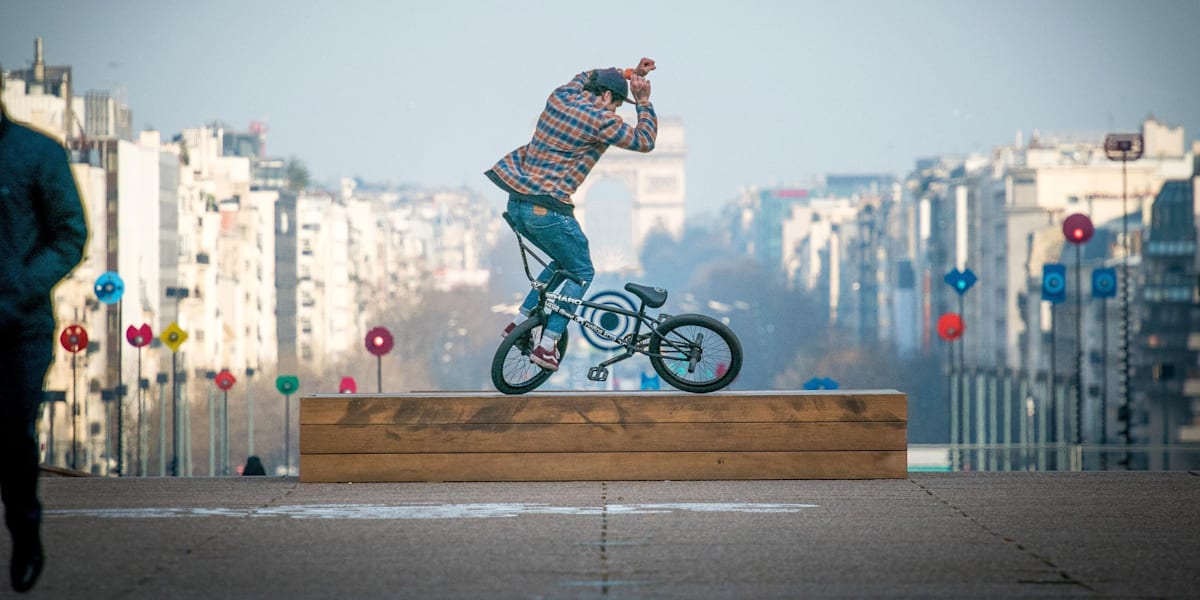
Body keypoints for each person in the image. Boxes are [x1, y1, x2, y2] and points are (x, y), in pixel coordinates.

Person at [485, 58, 658, 370]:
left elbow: (586, 74)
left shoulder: (561, 96)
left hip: (518, 204)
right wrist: (643, 102)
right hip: (549, 209)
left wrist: (628, 73)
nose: (616, 112)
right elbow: (645, 141)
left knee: (563, 262)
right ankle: (548, 343)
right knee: (582, 272)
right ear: (606, 97)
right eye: (617, 104)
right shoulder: (601, 121)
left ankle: (519, 321)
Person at [0, 89, 89, 593]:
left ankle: (24, 528)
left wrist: (22, 287)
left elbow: (69, 235)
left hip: (20, 326)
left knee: (12, 431)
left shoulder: (37, 154)